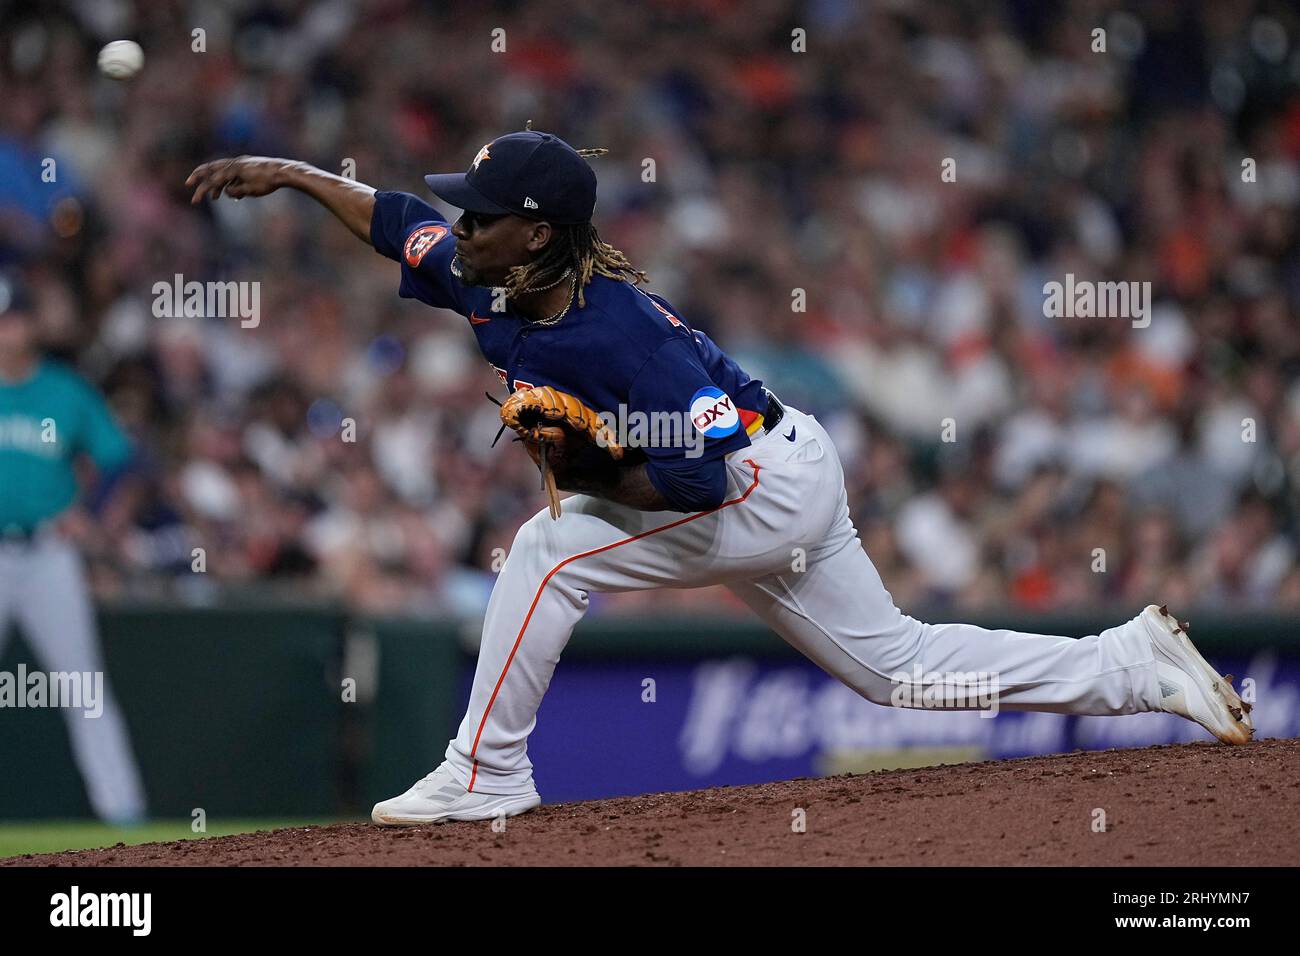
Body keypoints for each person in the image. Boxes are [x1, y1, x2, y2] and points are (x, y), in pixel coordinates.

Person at [187, 129, 1255, 825]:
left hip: (751, 480)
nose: (458, 225)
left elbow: (694, 483)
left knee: (549, 548)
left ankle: (485, 770)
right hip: (777, 464)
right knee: (898, 673)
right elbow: (390, 222)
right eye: (465, 211)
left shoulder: (617, 339)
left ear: (538, 233)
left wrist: (596, 470)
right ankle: (1128, 664)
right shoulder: (490, 274)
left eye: (480, 212)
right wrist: (288, 174)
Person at [0, 271, 148, 824]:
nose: (5, 330)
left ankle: (125, 816)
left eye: (13, 318)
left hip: (47, 556)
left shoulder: (64, 390)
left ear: (31, 325)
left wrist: (95, 517)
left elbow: (121, 461)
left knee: (84, 688)